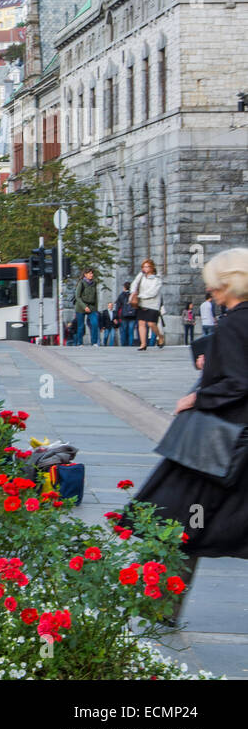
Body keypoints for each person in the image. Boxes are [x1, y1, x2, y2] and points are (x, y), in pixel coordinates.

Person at [130, 248, 248, 613]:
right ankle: (161, 606)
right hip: (237, 441)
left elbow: (239, 382)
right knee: (201, 523)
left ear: (227, 284)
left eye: (213, 286)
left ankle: (159, 607)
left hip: (216, 443)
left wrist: (197, 398)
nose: (210, 292)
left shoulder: (232, 324)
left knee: (177, 520)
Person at [132, 259, 164, 351]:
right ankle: (143, 344)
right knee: (141, 323)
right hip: (141, 303)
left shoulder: (157, 279)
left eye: (147, 266)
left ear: (152, 267)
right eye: (143, 267)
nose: (145, 269)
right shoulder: (141, 276)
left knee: (151, 323)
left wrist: (140, 295)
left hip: (153, 304)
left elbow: (153, 292)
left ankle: (160, 336)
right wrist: (133, 293)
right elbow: (134, 284)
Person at [72, 267, 100, 346]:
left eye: (92, 273)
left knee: (95, 323)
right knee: (80, 326)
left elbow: (95, 297)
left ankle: (94, 342)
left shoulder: (94, 283)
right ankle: (80, 343)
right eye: (90, 273)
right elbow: (77, 297)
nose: (92, 275)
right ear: (85, 274)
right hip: (81, 306)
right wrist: (84, 307)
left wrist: (96, 309)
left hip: (92, 306)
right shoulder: (81, 283)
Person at [116, 282, 138, 347]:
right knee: (131, 332)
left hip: (124, 316)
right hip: (133, 316)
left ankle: (124, 345)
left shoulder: (121, 295)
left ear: (124, 287)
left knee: (123, 331)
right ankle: (130, 344)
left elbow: (118, 306)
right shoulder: (134, 295)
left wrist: (116, 316)